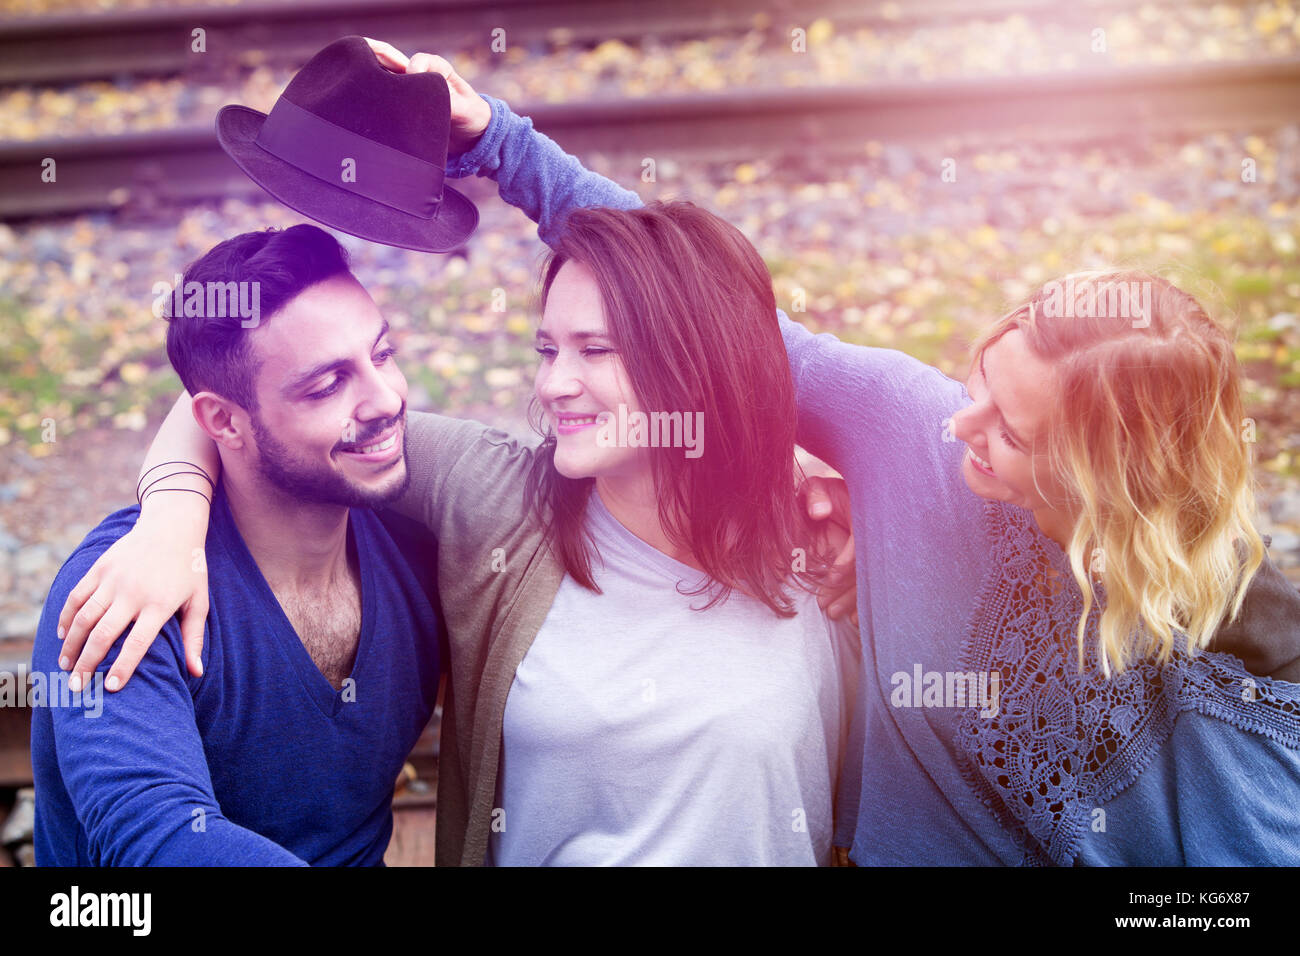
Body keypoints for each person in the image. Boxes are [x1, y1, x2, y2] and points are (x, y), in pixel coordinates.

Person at [54, 43, 862, 867]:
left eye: (596, 350)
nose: (556, 386)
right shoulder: (494, 500)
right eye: (549, 351)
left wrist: (811, 477)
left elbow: (714, 308)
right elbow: (146, 838)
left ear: (690, 363)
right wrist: (171, 511)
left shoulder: (824, 528)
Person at [31, 225, 443, 865]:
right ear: (223, 422)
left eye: (383, 355)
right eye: (327, 384)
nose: (386, 399)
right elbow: (151, 838)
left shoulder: (413, 543)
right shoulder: (124, 587)